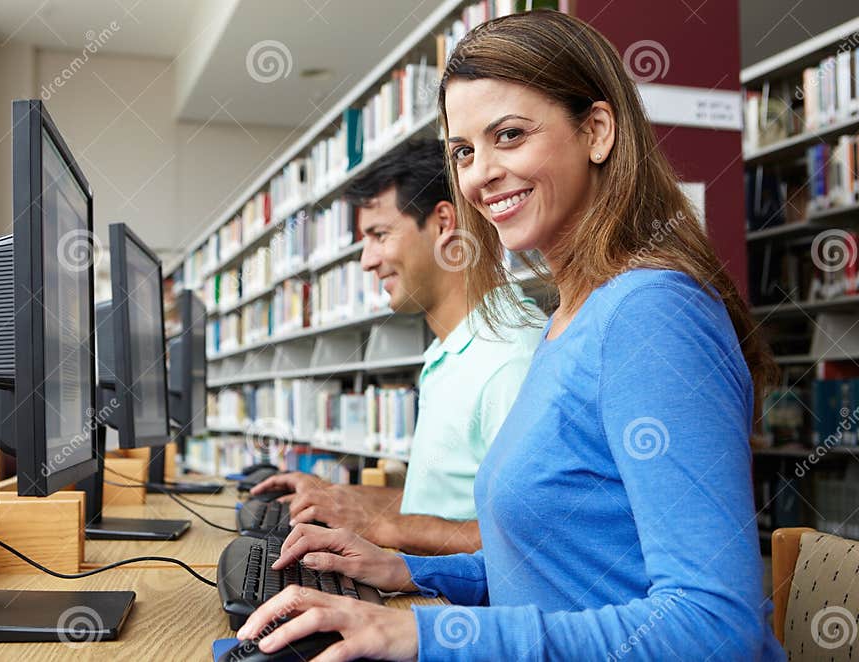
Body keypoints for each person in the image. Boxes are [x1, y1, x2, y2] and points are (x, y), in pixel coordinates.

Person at [235, 10, 785, 661]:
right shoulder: (567, 319)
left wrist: (425, 632)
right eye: (464, 151)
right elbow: (560, 573)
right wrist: (408, 574)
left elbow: (715, 628)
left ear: (598, 131)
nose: (480, 174)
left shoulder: (651, 314)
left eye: (510, 135)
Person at [252, 138, 544, 555]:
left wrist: (385, 528)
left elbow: (530, 538)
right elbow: (441, 508)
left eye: (379, 235)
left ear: (443, 224)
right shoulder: (450, 352)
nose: (366, 261)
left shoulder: (510, 357)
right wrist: (337, 498)